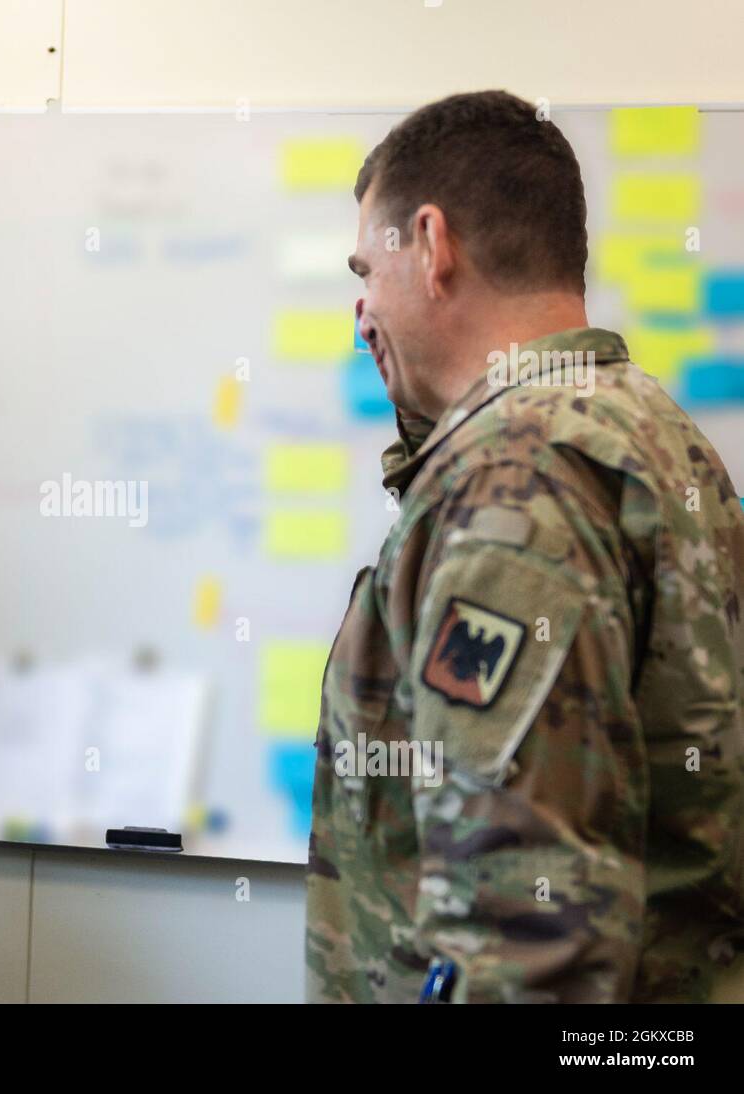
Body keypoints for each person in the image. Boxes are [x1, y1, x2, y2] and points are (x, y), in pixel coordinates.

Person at [307, 91, 744, 1003]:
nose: (361, 314)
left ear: (431, 246)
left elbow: (524, 938)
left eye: (367, 270)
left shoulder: (517, 479)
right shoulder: (656, 436)